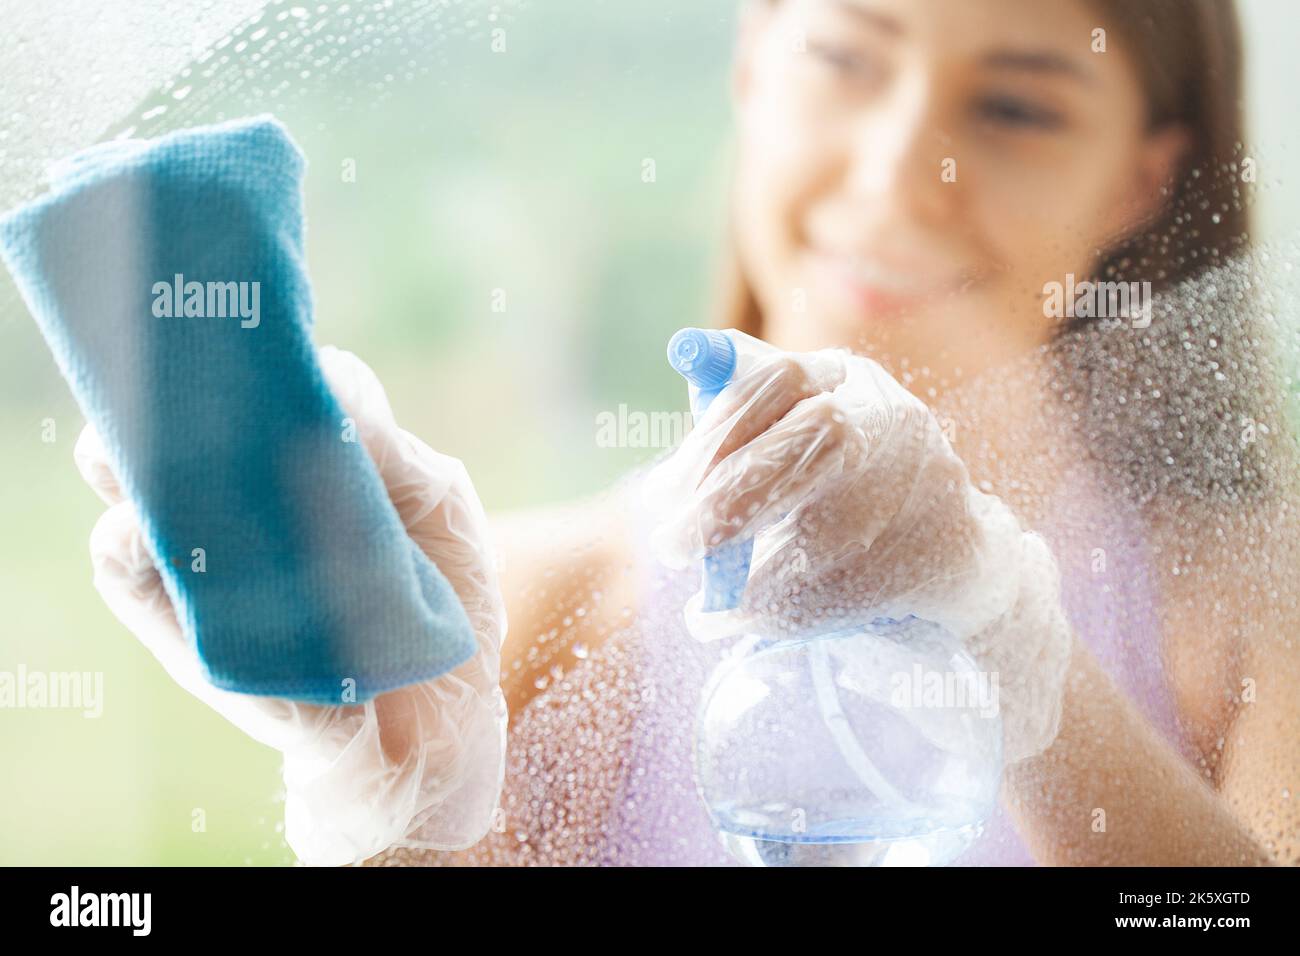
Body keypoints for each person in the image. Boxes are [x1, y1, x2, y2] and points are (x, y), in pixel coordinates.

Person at [78, 0, 1299, 866]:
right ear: (752, 62)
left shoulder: (1259, 609)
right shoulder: (534, 613)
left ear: (1143, 180)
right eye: (843, 55)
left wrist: (1018, 655)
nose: (897, 171)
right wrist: (388, 802)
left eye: (1018, 107)